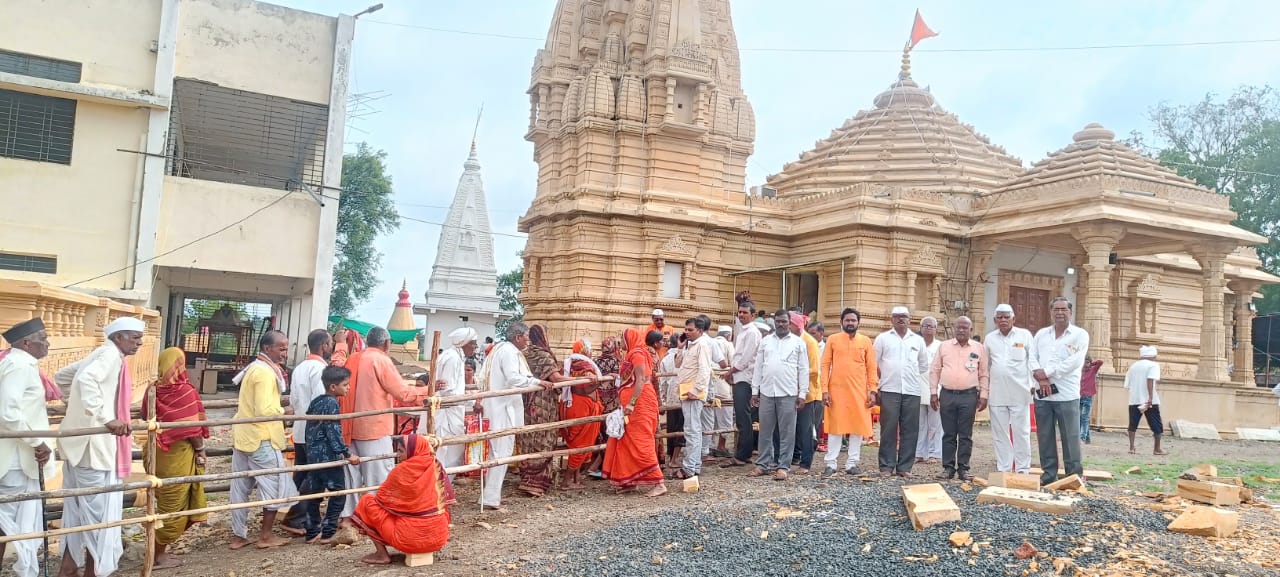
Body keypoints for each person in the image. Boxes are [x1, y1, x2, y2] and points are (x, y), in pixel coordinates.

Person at [57, 316, 143, 577]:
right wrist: (105, 417)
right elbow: (85, 381)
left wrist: (78, 410)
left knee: (76, 513)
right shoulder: (108, 357)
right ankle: (90, 573)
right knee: (98, 519)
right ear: (118, 338)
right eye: (134, 338)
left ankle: (68, 569)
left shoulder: (102, 353)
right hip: (94, 451)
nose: (139, 343)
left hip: (80, 449)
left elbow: (63, 378)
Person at [141, 347, 211, 568]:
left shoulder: (152, 389)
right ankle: (158, 555)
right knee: (173, 509)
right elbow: (192, 429)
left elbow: (145, 415)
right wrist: (200, 450)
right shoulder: (184, 391)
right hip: (177, 457)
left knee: (163, 503)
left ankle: (156, 549)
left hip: (156, 453)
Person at [228, 330, 297, 550]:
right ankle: (265, 536)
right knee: (276, 486)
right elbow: (264, 409)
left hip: (244, 437)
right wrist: (285, 410)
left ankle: (239, 536)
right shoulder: (265, 373)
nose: (285, 353)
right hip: (262, 438)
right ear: (268, 349)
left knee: (240, 488)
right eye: (282, 348)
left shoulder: (255, 368)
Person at [0, 318, 56, 577]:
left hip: (20, 458)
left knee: (10, 520)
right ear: (26, 342)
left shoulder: (24, 364)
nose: (47, 343)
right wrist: (38, 441)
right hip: (13, 460)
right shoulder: (18, 366)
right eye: (42, 338)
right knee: (4, 520)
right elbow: (8, 413)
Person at [477, 323, 550, 510]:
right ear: (517, 337)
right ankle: (491, 498)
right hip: (502, 409)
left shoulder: (499, 349)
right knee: (501, 453)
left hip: (497, 406)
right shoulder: (508, 352)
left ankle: (491, 495)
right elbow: (513, 378)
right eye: (526, 336)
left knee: (498, 452)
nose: (528, 339)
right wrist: (537, 381)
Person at [352, 433, 455, 565]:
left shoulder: (401, 470)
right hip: (439, 538)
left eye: (401, 450)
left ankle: (382, 554)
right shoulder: (436, 465)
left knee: (367, 501)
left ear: (413, 451)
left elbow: (381, 499)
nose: (398, 455)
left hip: (408, 539)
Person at [352, 327, 431, 497]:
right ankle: (374, 516)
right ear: (387, 343)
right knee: (378, 478)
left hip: (349, 427)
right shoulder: (381, 360)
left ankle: (348, 517)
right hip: (374, 428)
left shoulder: (353, 358)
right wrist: (427, 391)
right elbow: (403, 393)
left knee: (352, 480)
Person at [1028, 297, 1089, 487]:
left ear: (1070, 312)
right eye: (1056, 309)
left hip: (1067, 395)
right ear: (1051, 312)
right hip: (1043, 394)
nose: (1060, 312)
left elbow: (1074, 362)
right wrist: (1040, 377)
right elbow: (1031, 357)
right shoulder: (1041, 334)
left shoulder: (1079, 335)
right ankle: (1049, 475)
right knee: (1045, 436)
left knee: (1070, 436)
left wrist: (1045, 373)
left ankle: (1073, 476)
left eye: (1064, 309)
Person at [603, 328, 668, 496]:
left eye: (622, 338)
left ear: (629, 339)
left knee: (641, 441)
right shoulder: (632, 353)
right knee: (626, 441)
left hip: (640, 404)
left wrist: (631, 403)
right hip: (633, 405)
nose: (620, 342)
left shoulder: (637, 354)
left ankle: (659, 482)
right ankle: (630, 481)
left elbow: (640, 381)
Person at [301, 366, 361, 544]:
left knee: (315, 495)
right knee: (339, 494)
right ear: (333, 387)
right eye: (345, 385)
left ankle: (312, 532)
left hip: (314, 455)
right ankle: (328, 532)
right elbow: (333, 430)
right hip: (328, 457)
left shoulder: (317, 401)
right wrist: (346, 453)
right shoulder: (332, 403)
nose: (348, 388)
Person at [283, 329, 333, 533]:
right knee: (314, 475)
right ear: (324, 346)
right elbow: (322, 403)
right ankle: (296, 517)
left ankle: (296, 513)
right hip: (316, 430)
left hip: (301, 427)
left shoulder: (301, 367)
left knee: (302, 473)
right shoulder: (320, 370)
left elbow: (294, 400)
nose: (331, 348)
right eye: (330, 344)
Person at [749, 310, 809, 481]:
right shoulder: (765, 342)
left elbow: (803, 369)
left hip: (788, 393)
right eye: (778, 321)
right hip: (767, 391)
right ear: (774, 322)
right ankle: (763, 464)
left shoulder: (798, 343)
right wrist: (755, 391)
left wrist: (802, 393)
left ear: (789, 322)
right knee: (765, 431)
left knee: (787, 432)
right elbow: (758, 367)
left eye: (784, 321)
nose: (781, 324)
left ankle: (783, 466)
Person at [929, 316, 989, 481]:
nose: (961, 330)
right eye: (959, 327)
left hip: (969, 396)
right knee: (948, 433)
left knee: (965, 434)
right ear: (954, 329)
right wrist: (933, 392)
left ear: (971, 330)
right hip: (947, 394)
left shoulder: (979, 348)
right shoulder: (944, 346)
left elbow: (983, 373)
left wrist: (984, 395)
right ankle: (948, 468)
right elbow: (935, 370)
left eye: (965, 328)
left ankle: (963, 469)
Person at [820, 308, 879, 477]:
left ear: (858, 323)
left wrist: (872, 391)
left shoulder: (866, 341)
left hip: (859, 391)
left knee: (857, 427)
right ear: (841, 322)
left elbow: (871, 367)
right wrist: (824, 390)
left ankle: (852, 464)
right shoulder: (833, 339)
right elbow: (825, 365)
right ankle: (830, 464)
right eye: (847, 320)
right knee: (835, 427)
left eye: (853, 320)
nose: (850, 323)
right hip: (836, 390)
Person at [873, 306, 929, 478]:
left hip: (912, 390)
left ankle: (905, 467)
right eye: (897, 317)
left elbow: (923, 365)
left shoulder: (917, 340)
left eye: (904, 317)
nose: (900, 319)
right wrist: (879, 386)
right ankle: (886, 467)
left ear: (909, 319)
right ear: (892, 320)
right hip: (889, 390)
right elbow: (873, 364)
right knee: (888, 429)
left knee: (910, 429)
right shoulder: (883, 338)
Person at [518, 325, 573, 496]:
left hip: (526, 403)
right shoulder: (543, 355)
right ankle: (537, 483)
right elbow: (556, 378)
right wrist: (581, 378)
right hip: (544, 404)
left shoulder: (524, 354)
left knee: (528, 437)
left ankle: (526, 479)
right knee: (544, 437)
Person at [985, 304, 1035, 474]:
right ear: (994, 320)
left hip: (1020, 393)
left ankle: (1022, 469)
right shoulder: (990, 338)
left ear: (1014, 319)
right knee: (1000, 434)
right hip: (997, 393)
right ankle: (1004, 468)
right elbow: (986, 365)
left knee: (1021, 432)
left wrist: (1033, 384)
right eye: (1000, 317)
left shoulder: (1025, 336)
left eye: (1007, 317)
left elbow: (1033, 361)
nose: (1003, 320)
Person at [425, 328, 478, 472]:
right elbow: (448, 391)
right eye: (473, 343)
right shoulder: (453, 359)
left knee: (449, 453)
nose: (475, 347)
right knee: (447, 453)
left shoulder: (452, 356)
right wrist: (472, 401)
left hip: (450, 411)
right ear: (464, 343)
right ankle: (440, 489)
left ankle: (442, 488)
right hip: (446, 414)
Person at [673, 316, 715, 480]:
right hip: (686, 390)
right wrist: (680, 348)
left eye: (690, 330)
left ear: (700, 330)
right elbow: (677, 365)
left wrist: (696, 390)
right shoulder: (690, 345)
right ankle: (693, 466)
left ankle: (689, 468)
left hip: (693, 393)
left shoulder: (702, 344)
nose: (687, 332)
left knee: (692, 430)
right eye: (686, 329)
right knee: (692, 429)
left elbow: (705, 369)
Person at [560, 339, 605, 490]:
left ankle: (576, 478)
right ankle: (566, 481)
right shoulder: (583, 365)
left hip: (577, 406)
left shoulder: (573, 363)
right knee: (580, 444)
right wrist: (596, 380)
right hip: (581, 407)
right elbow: (586, 388)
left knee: (579, 443)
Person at [723, 296, 761, 468]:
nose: (741, 315)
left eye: (745, 312)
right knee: (742, 416)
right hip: (740, 376)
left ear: (753, 315)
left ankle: (742, 454)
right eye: (740, 312)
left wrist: (731, 371)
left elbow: (746, 358)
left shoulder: (753, 332)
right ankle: (743, 452)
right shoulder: (743, 330)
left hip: (746, 378)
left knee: (743, 417)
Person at [792, 313, 822, 474]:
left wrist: (794, 373)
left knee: (806, 429)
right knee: (794, 427)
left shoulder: (809, 342)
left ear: (796, 326)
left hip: (809, 392)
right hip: (790, 390)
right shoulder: (790, 340)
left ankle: (805, 463)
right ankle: (793, 457)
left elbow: (815, 370)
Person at [1125, 346, 1166, 456]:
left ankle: (1132, 447)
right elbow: (1150, 380)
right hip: (1149, 400)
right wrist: (1150, 397)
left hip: (1134, 399)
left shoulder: (1133, 366)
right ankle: (1157, 449)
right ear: (1153, 356)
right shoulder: (1153, 365)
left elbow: (1127, 384)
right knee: (1156, 425)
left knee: (1133, 424)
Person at [702, 326, 735, 459]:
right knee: (726, 416)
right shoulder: (728, 344)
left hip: (709, 384)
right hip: (723, 384)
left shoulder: (709, 342)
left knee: (711, 416)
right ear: (729, 335)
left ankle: (709, 445)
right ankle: (721, 446)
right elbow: (732, 363)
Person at [915, 316, 943, 464]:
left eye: (931, 326)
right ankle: (919, 453)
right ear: (921, 328)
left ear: (936, 329)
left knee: (935, 425)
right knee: (919, 424)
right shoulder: (915, 343)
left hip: (935, 390)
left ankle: (934, 453)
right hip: (917, 389)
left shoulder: (941, 346)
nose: (928, 328)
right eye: (925, 326)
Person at [658, 334, 684, 467]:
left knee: (671, 427)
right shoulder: (684, 356)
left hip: (670, 397)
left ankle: (671, 457)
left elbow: (662, 382)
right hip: (682, 396)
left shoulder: (665, 359)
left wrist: (663, 400)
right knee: (680, 428)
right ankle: (674, 459)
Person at [806, 321, 827, 452]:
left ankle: (815, 443)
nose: (811, 336)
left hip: (821, 387)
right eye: (809, 333)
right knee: (806, 417)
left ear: (821, 333)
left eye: (813, 333)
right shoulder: (805, 344)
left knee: (818, 417)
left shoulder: (826, 347)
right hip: (807, 385)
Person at [1079, 355, 1103, 444]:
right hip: (1079, 396)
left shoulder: (1093, 370)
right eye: (1084, 362)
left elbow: (1100, 362)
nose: (1085, 364)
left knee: (1085, 417)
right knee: (1080, 417)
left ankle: (1082, 437)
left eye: (1087, 362)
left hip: (1088, 397)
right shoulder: (1080, 371)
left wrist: (1091, 364)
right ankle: (1087, 438)